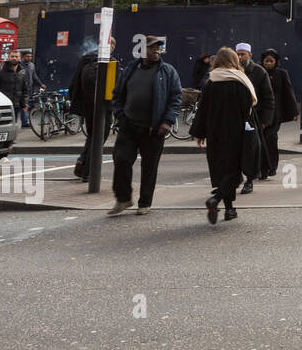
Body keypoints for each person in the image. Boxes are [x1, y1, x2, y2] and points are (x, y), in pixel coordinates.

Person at [108, 36, 182, 216]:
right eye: (152, 48)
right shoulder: (130, 70)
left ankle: (145, 202)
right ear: (142, 50)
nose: (156, 50)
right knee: (121, 160)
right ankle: (124, 199)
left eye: (158, 48)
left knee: (149, 166)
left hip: (154, 128)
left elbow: (175, 98)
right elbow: (117, 94)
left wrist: (167, 121)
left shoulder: (168, 71)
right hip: (129, 125)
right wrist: (120, 115)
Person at [191, 47, 256, 224]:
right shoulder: (240, 81)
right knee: (234, 172)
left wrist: (200, 133)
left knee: (222, 172)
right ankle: (215, 200)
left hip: (214, 133)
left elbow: (202, 111)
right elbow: (246, 110)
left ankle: (229, 210)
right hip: (235, 133)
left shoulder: (211, 82)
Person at [68, 37, 114, 181]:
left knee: (92, 135)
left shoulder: (85, 58)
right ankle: (87, 169)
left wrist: (77, 102)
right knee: (100, 136)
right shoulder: (110, 60)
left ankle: (83, 163)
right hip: (104, 107)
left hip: (88, 105)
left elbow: (74, 82)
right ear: (111, 46)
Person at [234, 43, 275, 194]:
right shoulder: (232, 71)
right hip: (235, 118)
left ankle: (249, 180)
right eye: (237, 54)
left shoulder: (259, 72)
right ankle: (236, 177)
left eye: (242, 54)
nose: (240, 57)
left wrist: (265, 119)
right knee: (235, 150)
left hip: (253, 118)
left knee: (251, 150)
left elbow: (268, 97)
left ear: (250, 55)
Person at [259, 48, 298, 179]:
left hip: (276, 114)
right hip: (260, 113)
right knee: (260, 141)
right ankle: (261, 169)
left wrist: (294, 111)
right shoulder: (259, 73)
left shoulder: (282, 74)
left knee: (270, 139)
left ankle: (271, 167)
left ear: (276, 62)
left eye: (271, 61)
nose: (268, 63)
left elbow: (289, 92)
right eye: (266, 61)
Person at [0, 56, 26, 122]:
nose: (14, 58)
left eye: (16, 57)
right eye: (12, 56)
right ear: (8, 58)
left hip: (16, 105)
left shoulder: (22, 72)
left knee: (13, 125)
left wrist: (24, 103)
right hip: (3, 105)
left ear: (19, 58)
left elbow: (24, 89)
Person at [17, 50, 45, 129]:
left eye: (30, 56)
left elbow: (34, 76)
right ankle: (23, 122)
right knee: (23, 105)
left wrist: (41, 84)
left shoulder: (32, 65)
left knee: (27, 105)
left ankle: (25, 122)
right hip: (20, 89)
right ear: (23, 57)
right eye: (27, 56)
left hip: (29, 89)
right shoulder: (19, 65)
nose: (29, 58)